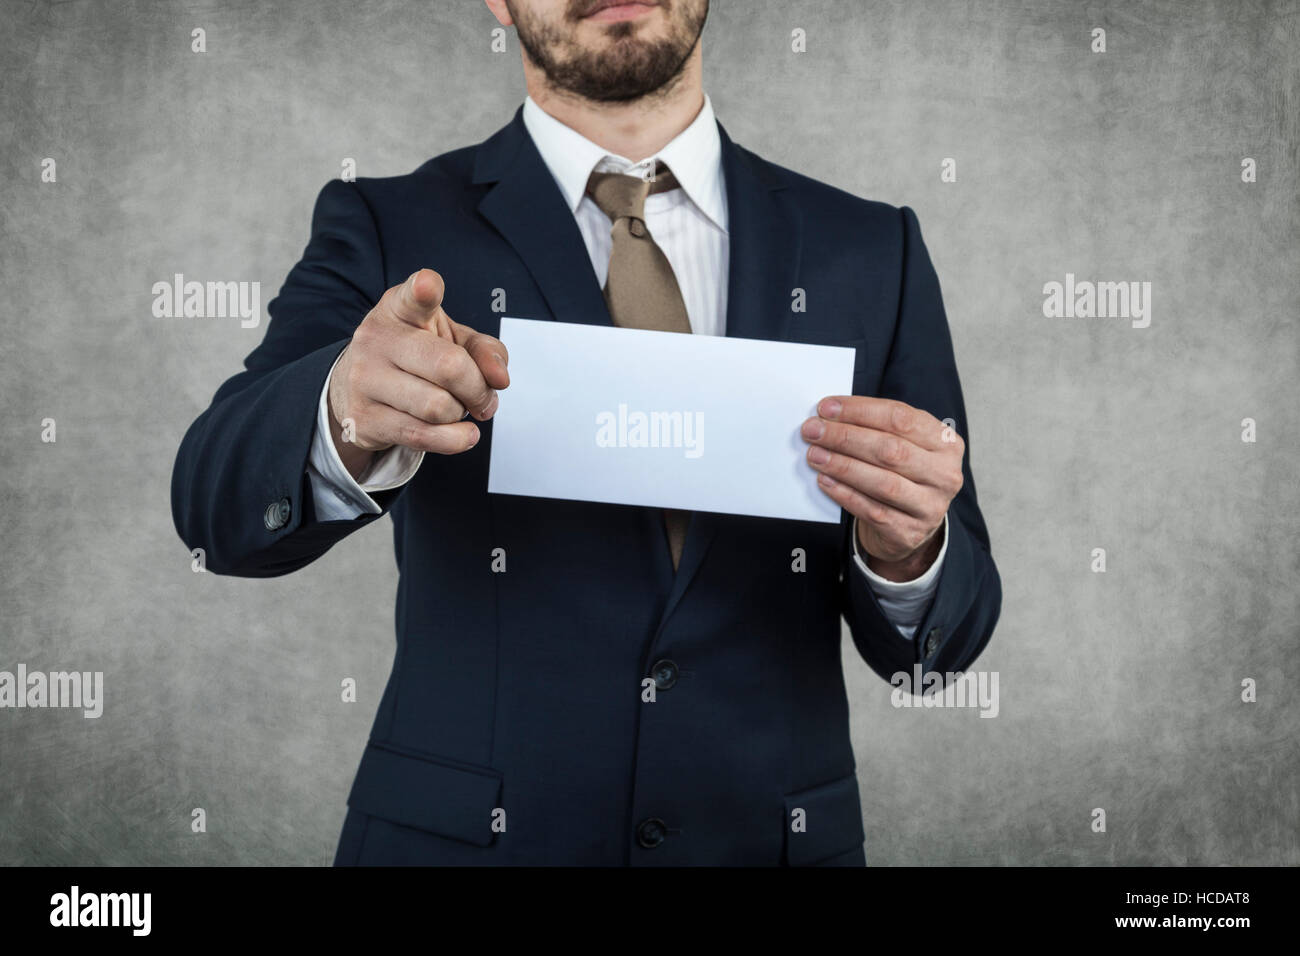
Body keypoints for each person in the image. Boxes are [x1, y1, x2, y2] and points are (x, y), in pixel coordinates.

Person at [171, 0, 1001, 866]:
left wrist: (909, 550)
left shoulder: (873, 248)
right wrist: (342, 408)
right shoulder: (387, 224)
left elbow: (937, 649)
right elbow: (213, 511)